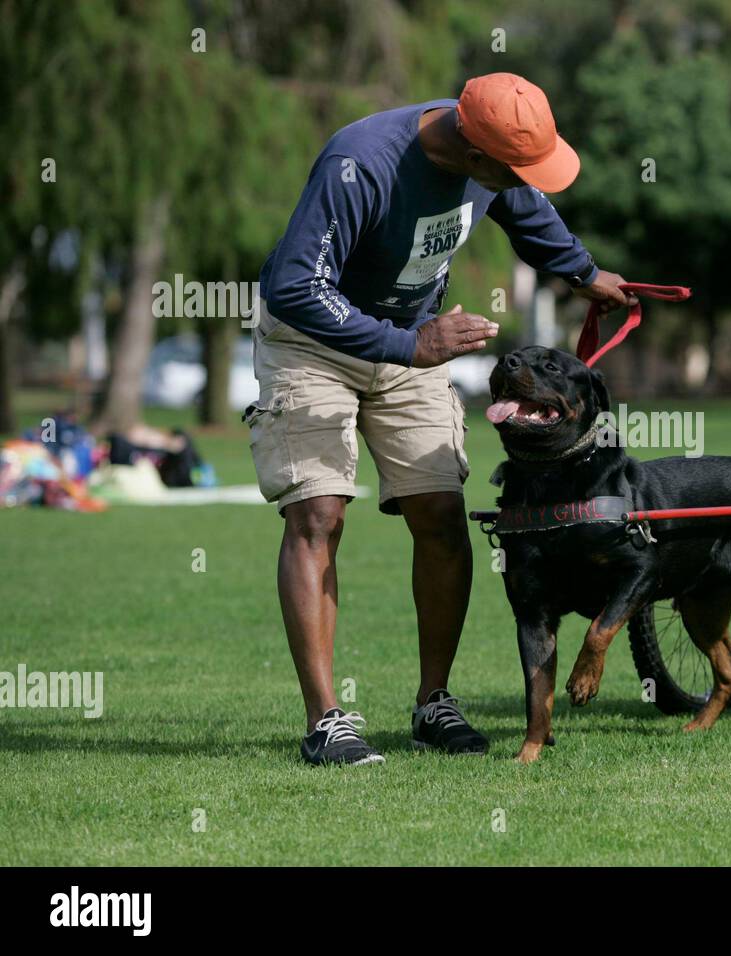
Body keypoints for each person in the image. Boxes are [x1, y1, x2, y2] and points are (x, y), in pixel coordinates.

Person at [250, 72, 631, 765]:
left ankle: (434, 703)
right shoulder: (359, 164)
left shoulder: (491, 164)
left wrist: (582, 271)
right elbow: (295, 284)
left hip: (409, 340)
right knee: (319, 512)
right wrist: (410, 345)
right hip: (313, 344)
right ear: (475, 152)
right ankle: (326, 720)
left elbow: (527, 207)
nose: (521, 182)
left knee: (441, 514)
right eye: (514, 169)